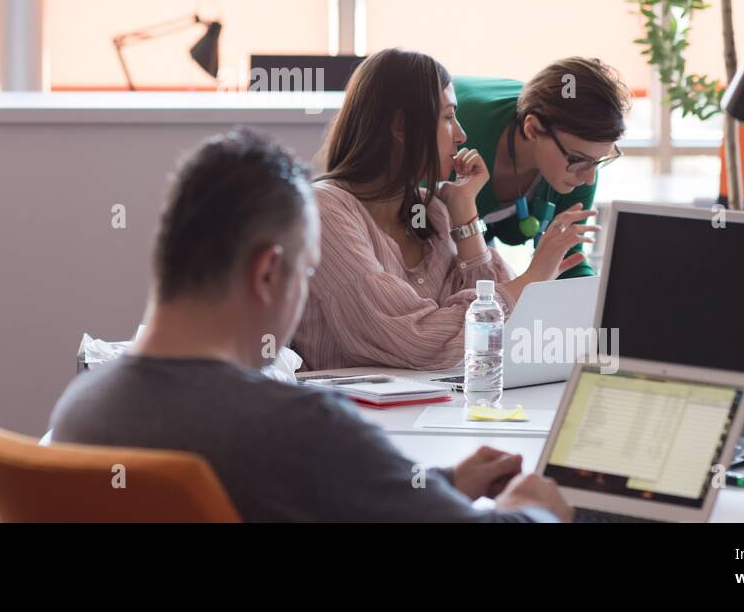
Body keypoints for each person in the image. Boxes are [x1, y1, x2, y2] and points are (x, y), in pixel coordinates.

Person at [49, 128, 571, 523]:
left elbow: (326, 488)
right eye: (307, 271)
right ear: (267, 273)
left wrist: (445, 481)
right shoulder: (297, 425)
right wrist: (533, 507)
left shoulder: (82, 408)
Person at [294, 49, 597, 371]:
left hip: (430, 397)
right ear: (401, 126)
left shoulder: (434, 211)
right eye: (449, 117)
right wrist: (533, 278)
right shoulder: (325, 211)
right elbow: (418, 341)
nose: (461, 136)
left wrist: (465, 211)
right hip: (344, 400)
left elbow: (490, 337)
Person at [453, 58, 630, 280]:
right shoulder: (455, 140)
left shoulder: (577, 164)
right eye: (579, 159)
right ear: (533, 129)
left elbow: (567, 260)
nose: (589, 179)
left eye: (599, 160)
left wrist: (601, 295)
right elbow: (429, 267)